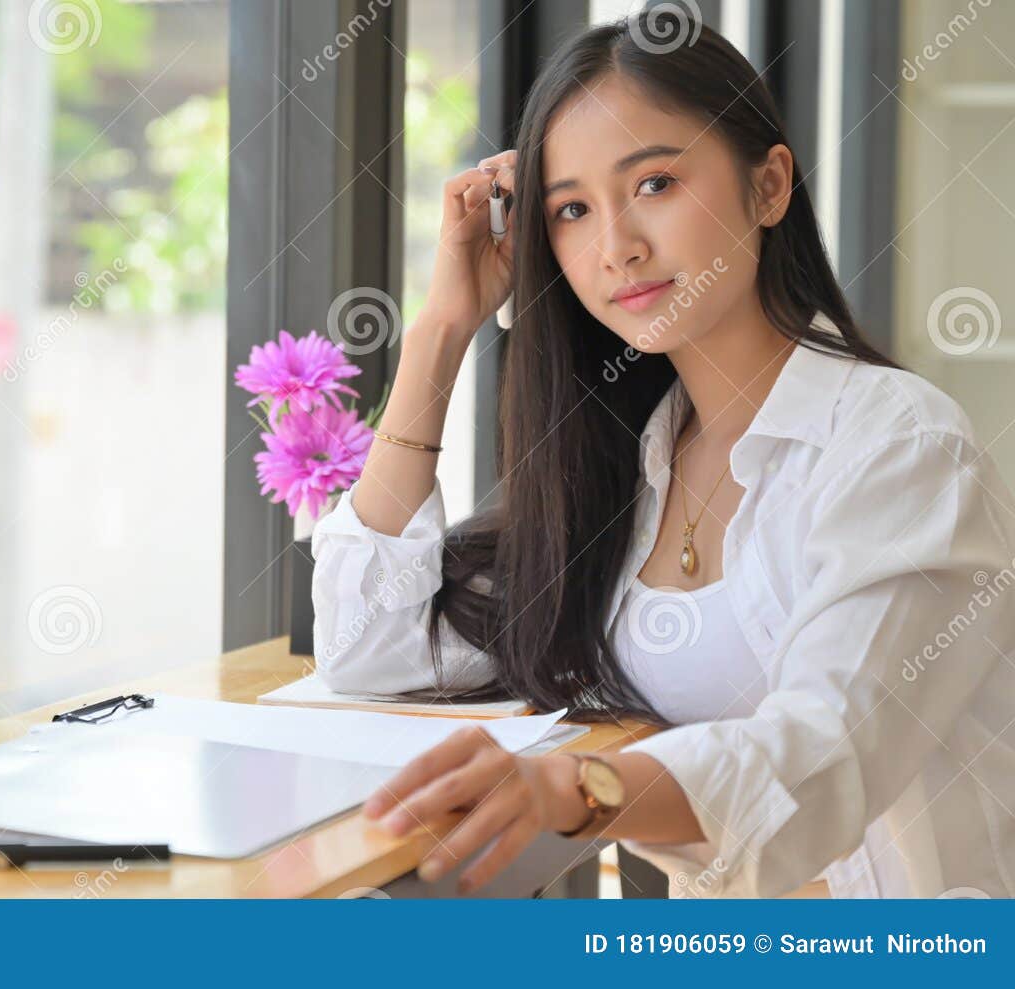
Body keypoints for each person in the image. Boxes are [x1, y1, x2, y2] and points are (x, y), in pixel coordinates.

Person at [310, 13, 1015, 898]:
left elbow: (828, 754)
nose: (617, 247)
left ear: (768, 186)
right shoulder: (625, 465)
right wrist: (441, 329)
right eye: (571, 209)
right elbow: (367, 648)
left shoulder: (901, 451)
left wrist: (577, 787)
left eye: (655, 183)